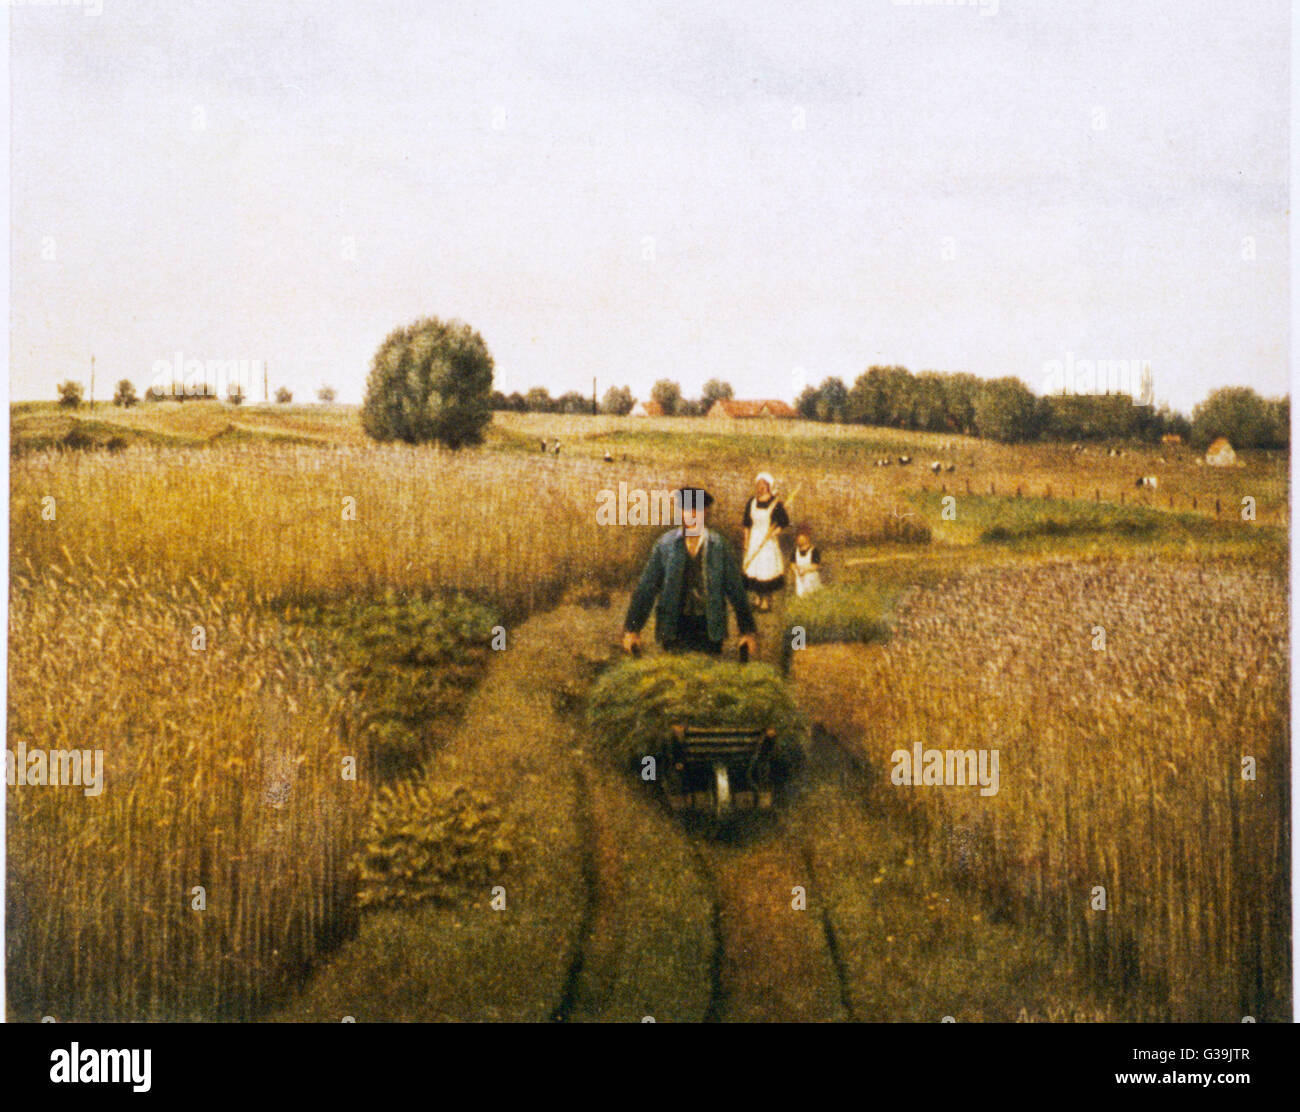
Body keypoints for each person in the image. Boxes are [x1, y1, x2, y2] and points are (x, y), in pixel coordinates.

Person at [623, 487, 758, 657]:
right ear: (681, 512)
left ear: (706, 513)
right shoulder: (665, 545)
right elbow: (646, 589)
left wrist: (747, 632)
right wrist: (632, 629)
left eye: (698, 511)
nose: (692, 516)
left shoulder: (719, 546)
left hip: (709, 628)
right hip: (674, 627)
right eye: (688, 510)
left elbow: (736, 590)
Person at [742, 472, 789, 612]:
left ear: (769, 486)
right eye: (758, 485)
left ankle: (765, 602)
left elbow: (784, 522)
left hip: (767, 542)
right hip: (754, 540)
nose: (760, 487)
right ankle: (757, 599)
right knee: (753, 570)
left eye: (764, 485)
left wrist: (773, 533)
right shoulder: (751, 502)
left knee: (765, 571)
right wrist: (746, 541)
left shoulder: (775, 504)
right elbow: (746, 523)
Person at [791, 524, 823, 597]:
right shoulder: (795, 551)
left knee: (810, 591)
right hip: (799, 575)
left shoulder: (813, 550)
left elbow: (815, 565)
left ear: (808, 537)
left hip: (810, 575)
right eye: (798, 537)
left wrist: (805, 569)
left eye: (802, 537)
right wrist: (796, 569)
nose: (800, 539)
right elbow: (792, 564)